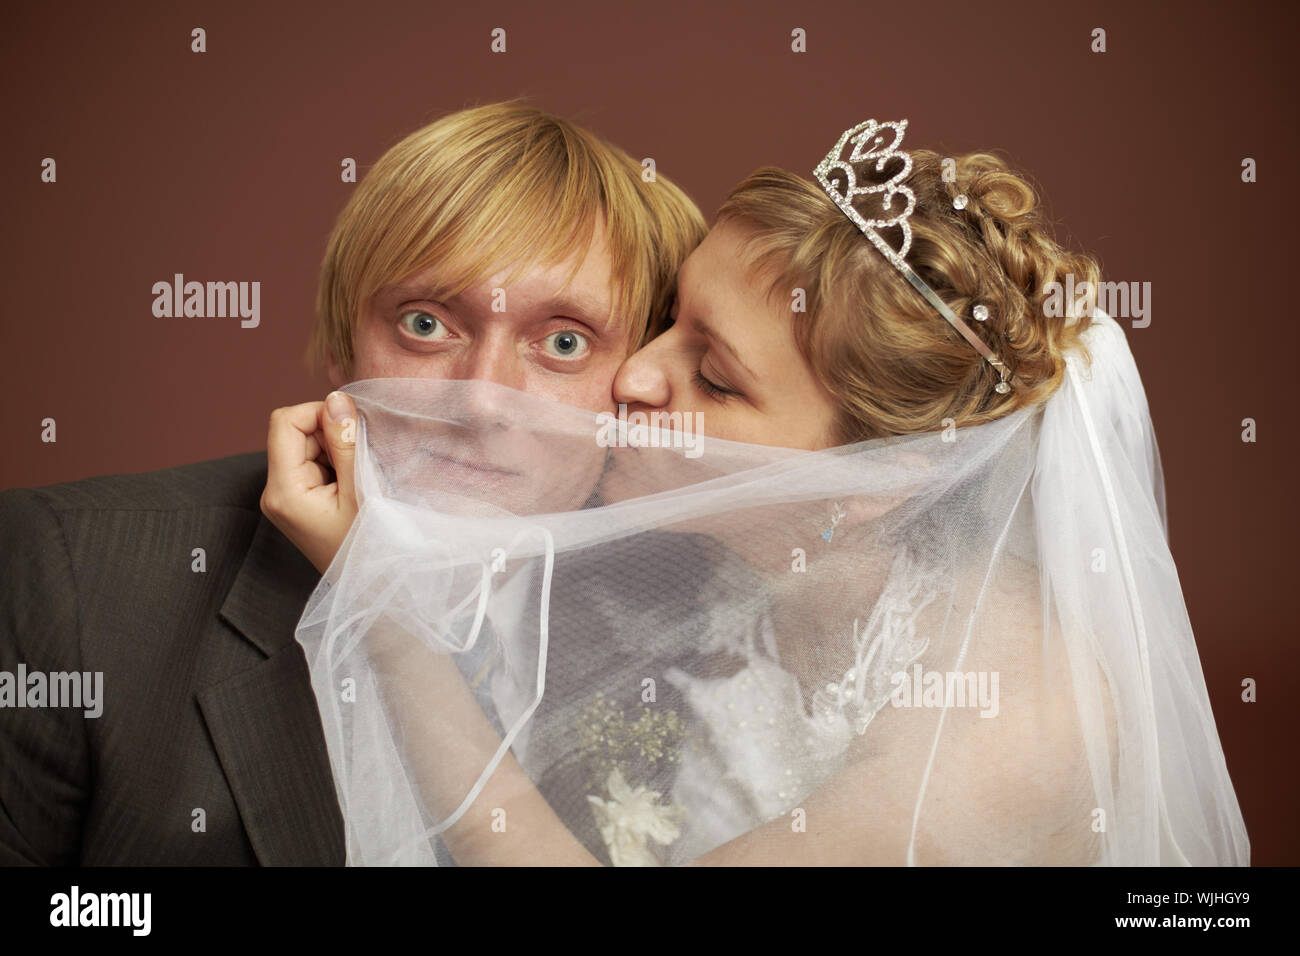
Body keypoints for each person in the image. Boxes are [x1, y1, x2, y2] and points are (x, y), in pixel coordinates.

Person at [273, 118, 1250, 866]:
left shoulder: (1010, 723)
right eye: (674, 319)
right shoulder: (689, 556)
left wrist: (382, 602)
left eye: (716, 377)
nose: (637, 378)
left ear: (873, 477)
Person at [0, 101, 705, 865]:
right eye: (427, 323)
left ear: (639, 383)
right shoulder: (71, 574)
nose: (480, 399)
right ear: (343, 346)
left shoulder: (697, 626)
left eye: (563, 342)